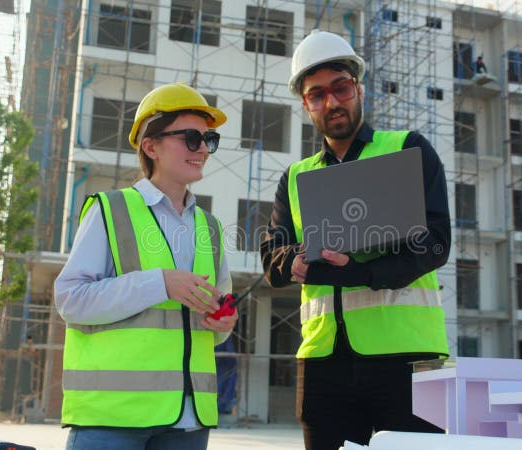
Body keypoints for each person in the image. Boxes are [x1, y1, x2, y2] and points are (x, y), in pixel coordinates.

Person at [260, 30, 451, 450]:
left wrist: (363, 271)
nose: (331, 102)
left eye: (340, 88)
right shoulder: (294, 177)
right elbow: (271, 256)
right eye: (316, 95)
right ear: (305, 104)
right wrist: (290, 258)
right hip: (323, 364)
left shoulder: (408, 150)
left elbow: (436, 242)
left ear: (357, 88)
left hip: (406, 357)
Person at [54, 82, 238, 450]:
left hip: (188, 420)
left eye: (208, 140)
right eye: (190, 138)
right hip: (113, 418)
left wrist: (222, 322)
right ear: (150, 146)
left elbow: (217, 327)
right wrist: (160, 284)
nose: (202, 149)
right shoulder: (110, 210)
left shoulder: (212, 228)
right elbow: (70, 300)